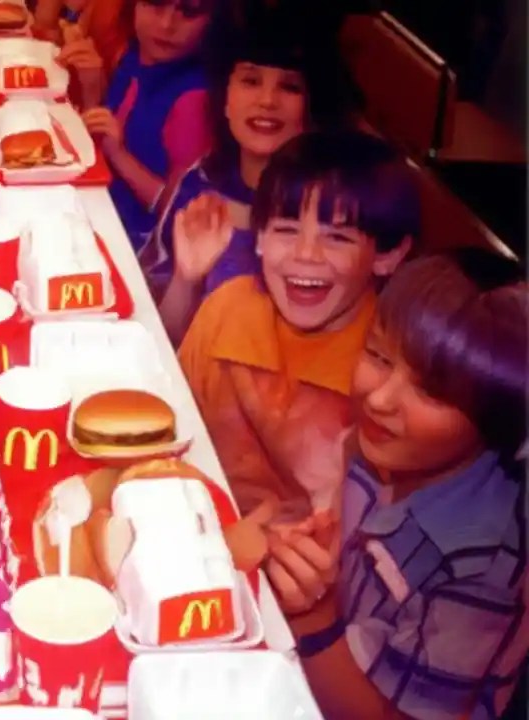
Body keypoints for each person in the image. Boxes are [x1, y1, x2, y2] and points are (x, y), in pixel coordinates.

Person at [265, 249, 528, 720]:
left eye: (431, 391)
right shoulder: (383, 444)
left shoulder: (480, 568)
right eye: (378, 355)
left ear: (492, 417)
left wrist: (313, 619)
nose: (380, 399)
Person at [177, 130, 418, 521]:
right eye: (286, 230)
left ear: (387, 255)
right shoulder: (228, 307)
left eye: (337, 238)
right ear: (258, 238)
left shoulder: (385, 384)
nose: (306, 255)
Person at [150, 3, 357, 342]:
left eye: (290, 87)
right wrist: (187, 280)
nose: (267, 101)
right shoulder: (200, 182)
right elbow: (163, 336)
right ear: (225, 99)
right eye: (250, 80)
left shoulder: (332, 217)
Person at [65, 0, 215, 246]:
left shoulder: (194, 99)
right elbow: (107, 135)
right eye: (155, 4)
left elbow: (178, 213)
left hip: (134, 246)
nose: (166, 25)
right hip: (97, 209)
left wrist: (119, 155)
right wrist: (92, 86)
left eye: (189, 12)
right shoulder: (133, 55)